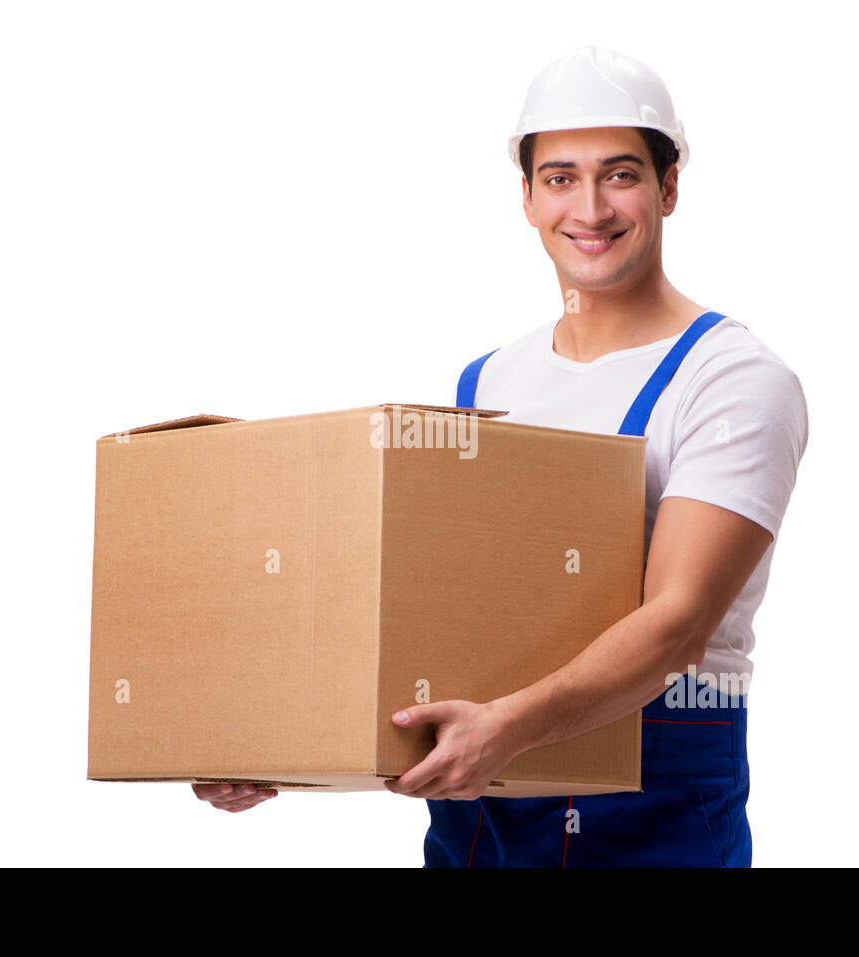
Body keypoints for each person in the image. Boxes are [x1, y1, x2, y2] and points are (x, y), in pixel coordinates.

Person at [195, 45, 808, 868]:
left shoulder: (731, 379)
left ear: (668, 186)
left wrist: (510, 726)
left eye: (619, 174)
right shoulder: (490, 379)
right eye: (559, 178)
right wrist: (277, 744)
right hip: (483, 815)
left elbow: (677, 625)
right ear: (525, 197)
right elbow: (434, 617)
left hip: (652, 809)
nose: (589, 206)